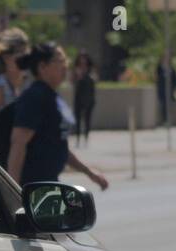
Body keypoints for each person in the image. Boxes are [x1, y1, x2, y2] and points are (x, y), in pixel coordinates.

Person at [7, 42, 109, 190]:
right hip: (33, 188)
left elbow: (58, 145)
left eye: (66, 61)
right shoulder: (35, 97)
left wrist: (90, 173)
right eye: (60, 61)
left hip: (49, 185)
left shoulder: (51, 96)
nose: (65, 66)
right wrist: (13, 190)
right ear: (42, 67)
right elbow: (18, 144)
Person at [72, 51, 96, 147]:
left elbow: (94, 81)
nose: (83, 59)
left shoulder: (91, 70)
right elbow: (72, 81)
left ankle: (86, 138)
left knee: (87, 120)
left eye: (84, 57)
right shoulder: (76, 70)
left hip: (89, 97)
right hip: (78, 97)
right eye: (81, 57)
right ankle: (77, 139)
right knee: (77, 119)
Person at [156, 54, 176, 125]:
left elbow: (175, 79)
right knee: (163, 105)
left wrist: (174, 88)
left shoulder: (171, 69)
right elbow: (157, 79)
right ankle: (164, 120)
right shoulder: (159, 68)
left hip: (170, 91)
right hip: (162, 90)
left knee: (169, 105)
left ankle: (169, 120)